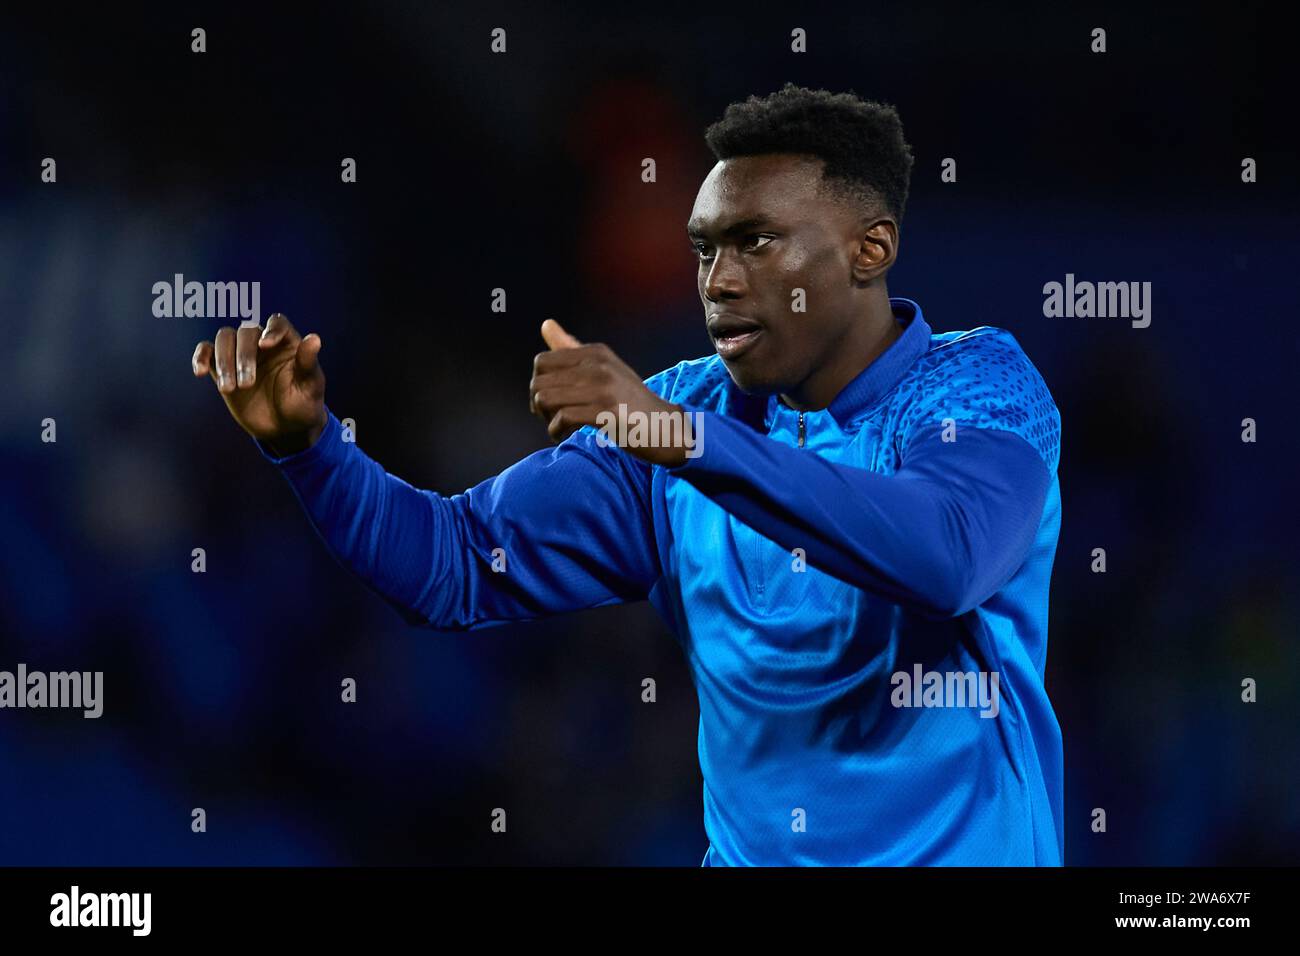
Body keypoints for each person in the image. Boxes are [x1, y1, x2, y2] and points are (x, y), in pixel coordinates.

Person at [192, 84, 1063, 866]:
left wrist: (684, 440)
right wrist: (311, 450)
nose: (717, 283)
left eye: (755, 243)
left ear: (869, 249)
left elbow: (947, 557)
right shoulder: (675, 417)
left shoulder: (977, 387)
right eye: (705, 249)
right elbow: (450, 564)